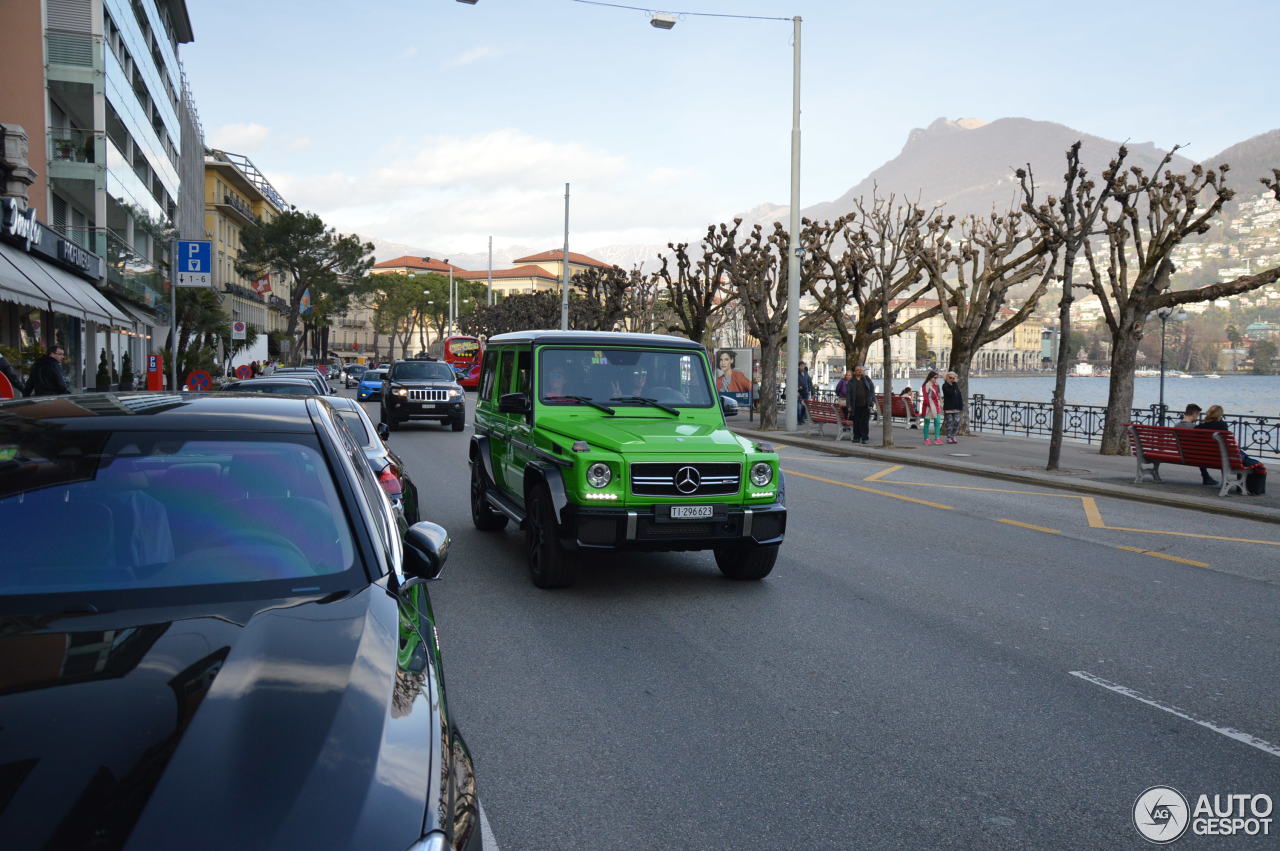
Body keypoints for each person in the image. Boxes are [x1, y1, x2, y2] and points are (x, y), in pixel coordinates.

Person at [1195, 404, 1265, 492]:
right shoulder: (1222, 425)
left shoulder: (1200, 427)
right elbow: (1227, 444)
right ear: (1219, 415)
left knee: (1241, 454)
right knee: (1243, 456)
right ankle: (1258, 465)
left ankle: (1254, 463)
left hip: (1202, 457)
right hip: (1222, 457)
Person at [1174, 404, 1214, 485]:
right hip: (1194, 455)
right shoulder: (1195, 427)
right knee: (1200, 451)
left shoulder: (1177, 425)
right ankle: (1206, 477)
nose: (1198, 417)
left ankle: (1206, 476)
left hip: (1182, 453)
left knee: (1197, 450)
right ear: (1194, 413)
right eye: (1198, 414)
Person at [844, 365, 876, 444]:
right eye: (857, 370)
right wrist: (849, 406)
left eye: (860, 370)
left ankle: (864, 437)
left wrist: (872, 400)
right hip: (855, 405)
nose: (859, 371)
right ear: (854, 372)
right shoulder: (851, 381)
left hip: (866, 404)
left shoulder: (866, 379)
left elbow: (872, 390)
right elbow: (848, 394)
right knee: (856, 422)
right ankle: (856, 437)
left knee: (865, 422)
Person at [919, 371, 943, 445]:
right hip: (928, 406)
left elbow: (939, 395)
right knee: (927, 423)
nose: (936, 379)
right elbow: (925, 397)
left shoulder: (937, 385)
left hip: (936, 406)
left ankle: (937, 438)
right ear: (930, 377)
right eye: (935, 377)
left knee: (938, 422)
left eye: (937, 378)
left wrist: (941, 403)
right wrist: (929, 405)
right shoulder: (925, 386)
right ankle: (926, 439)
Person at [942, 371, 964, 444]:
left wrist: (961, 405)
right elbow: (950, 393)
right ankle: (949, 437)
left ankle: (953, 435)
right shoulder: (945, 386)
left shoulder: (955, 385)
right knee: (950, 422)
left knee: (957, 421)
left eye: (953, 378)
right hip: (949, 407)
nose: (952, 379)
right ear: (947, 378)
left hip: (956, 407)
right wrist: (954, 384)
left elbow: (959, 396)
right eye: (950, 378)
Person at [797, 361, 813, 425]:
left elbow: (808, 382)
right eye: (802, 366)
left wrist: (809, 390)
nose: (803, 367)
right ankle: (799, 420)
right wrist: (798, 387)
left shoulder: (806, 373)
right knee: (799, 407)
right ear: (799, 366)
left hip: (805, 392)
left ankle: (802, 418)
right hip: (799, 392)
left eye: (804, 366)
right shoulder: (796, 373)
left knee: (804, 406)